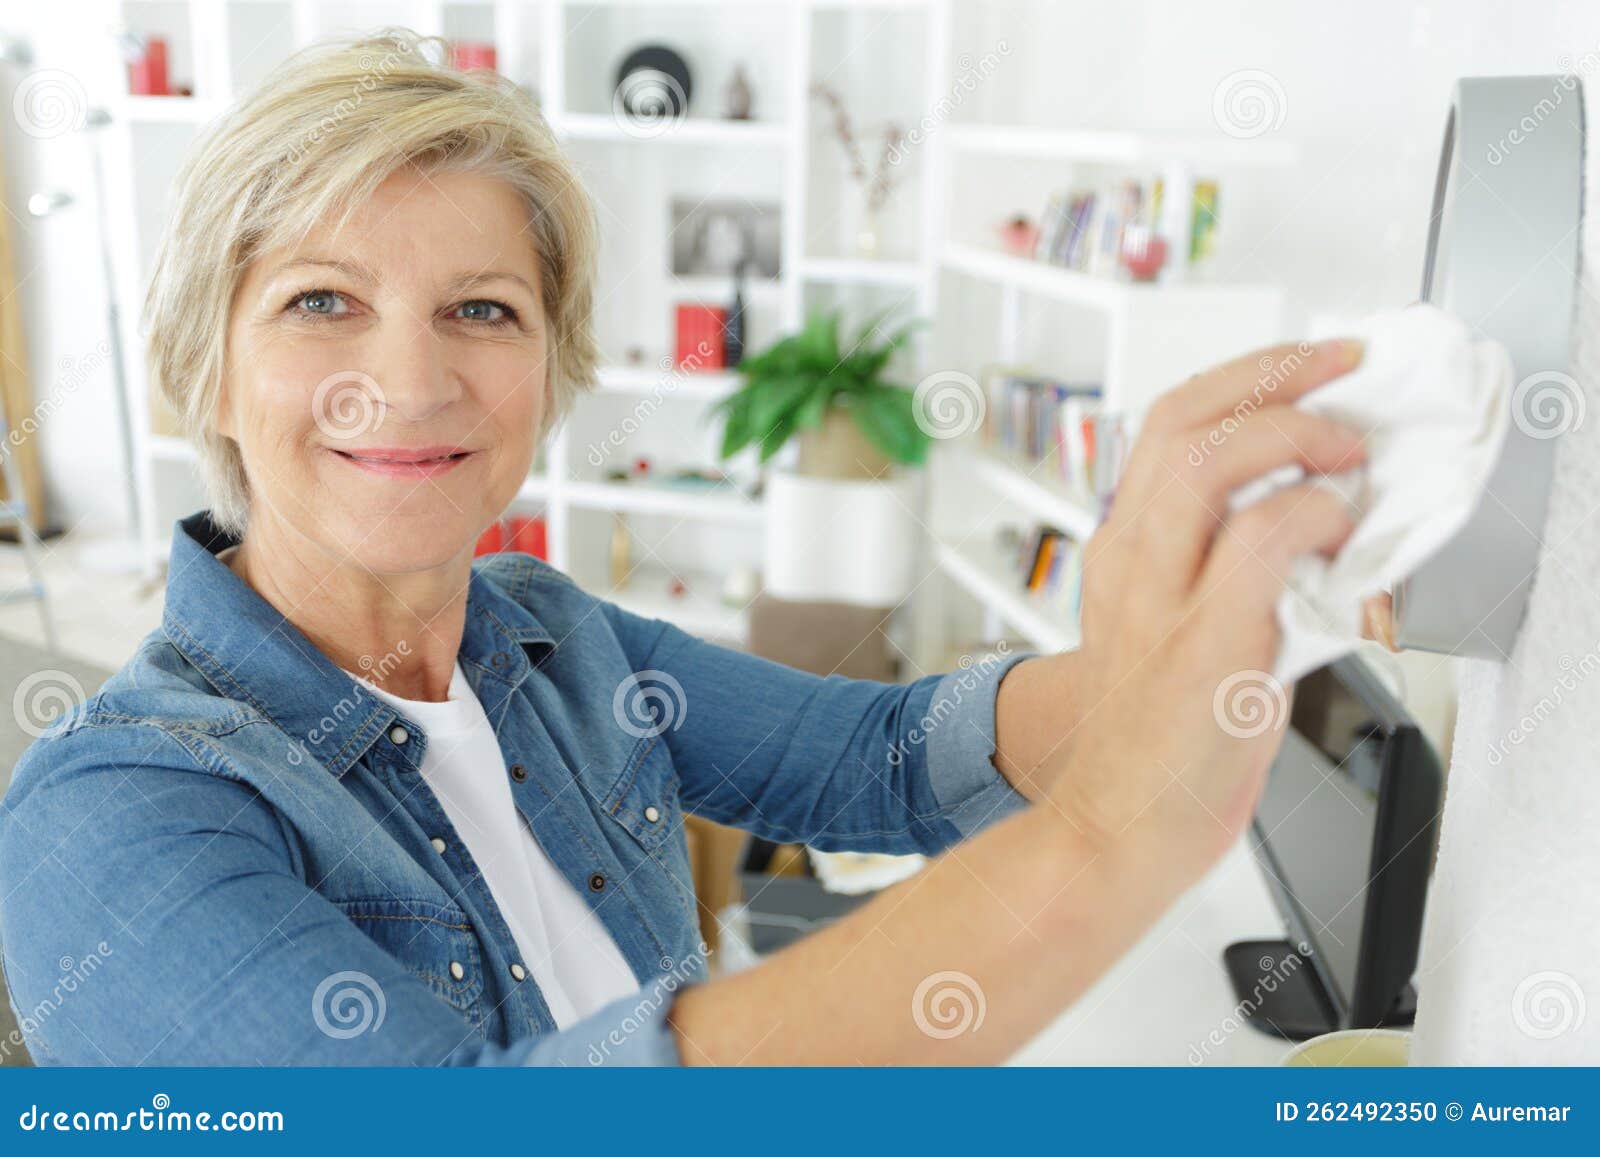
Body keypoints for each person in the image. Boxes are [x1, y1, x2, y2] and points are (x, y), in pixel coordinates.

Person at [0, 32, 1376, 1065]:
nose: (409, 381)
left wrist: (1196, 633)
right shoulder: (105, 812)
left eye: (481, 309)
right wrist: (1112, 838)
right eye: (321, 301)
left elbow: (885, 757)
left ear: (550, 365)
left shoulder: (542, 635)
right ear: (206, 371)